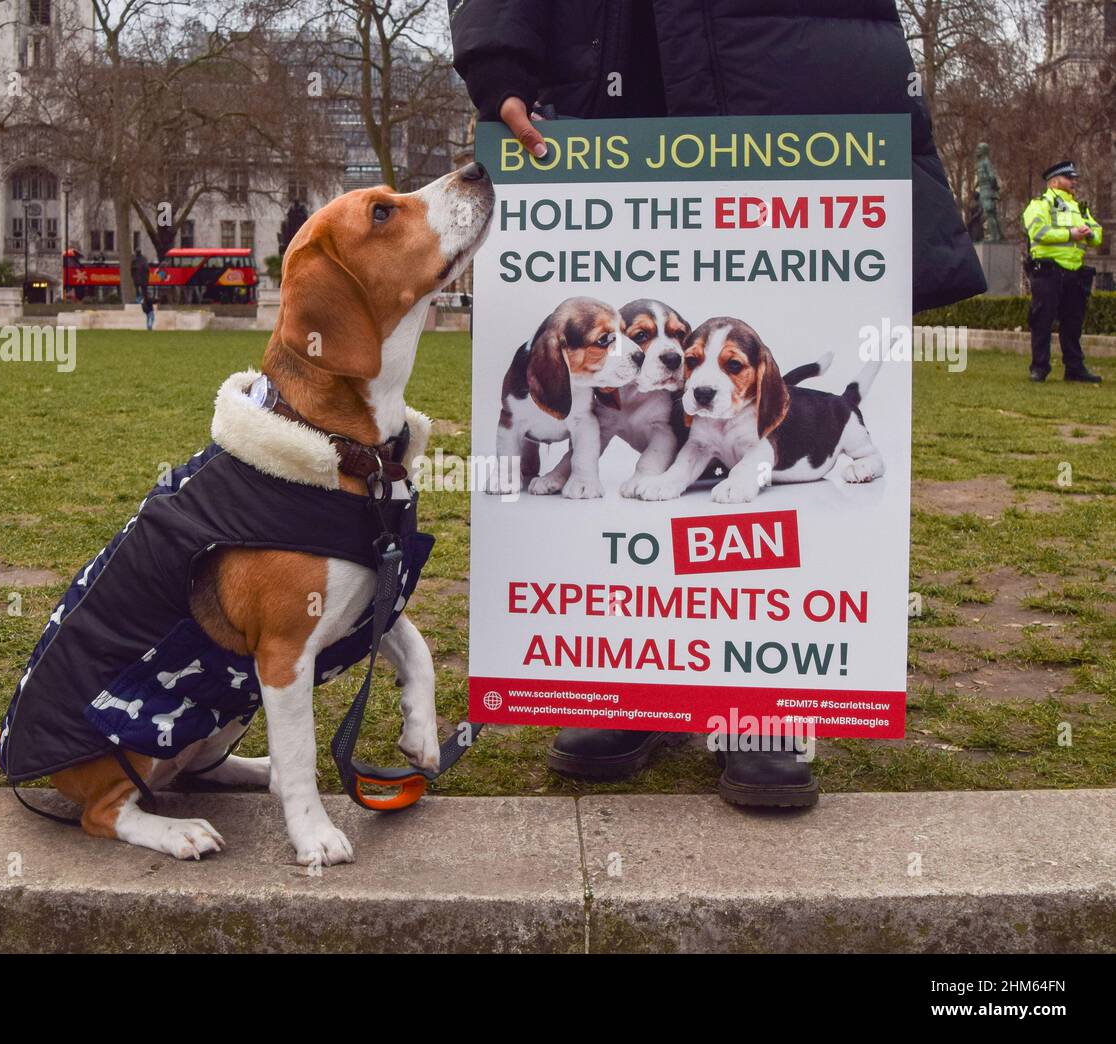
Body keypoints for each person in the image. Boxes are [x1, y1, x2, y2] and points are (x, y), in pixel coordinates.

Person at [450, 0, 987, 806]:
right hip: (604, 55)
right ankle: (630, 681)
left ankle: (764, 700)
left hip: (790, 45)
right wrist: (500, 55)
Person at [1022, 160, 1104, 384]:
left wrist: (1088, 234)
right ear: (1055, 182)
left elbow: (1097, 233)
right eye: (1070, 178)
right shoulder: (1040, 204)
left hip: (1074, 272)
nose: (1074, 182)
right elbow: (1038, 231)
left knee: (1073, 323)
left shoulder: (1080, 207)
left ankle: (1074, 369)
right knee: (1042, 321)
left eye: (1075, 178)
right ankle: (1039, 368)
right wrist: (1071, 234)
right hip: (1048, 271)